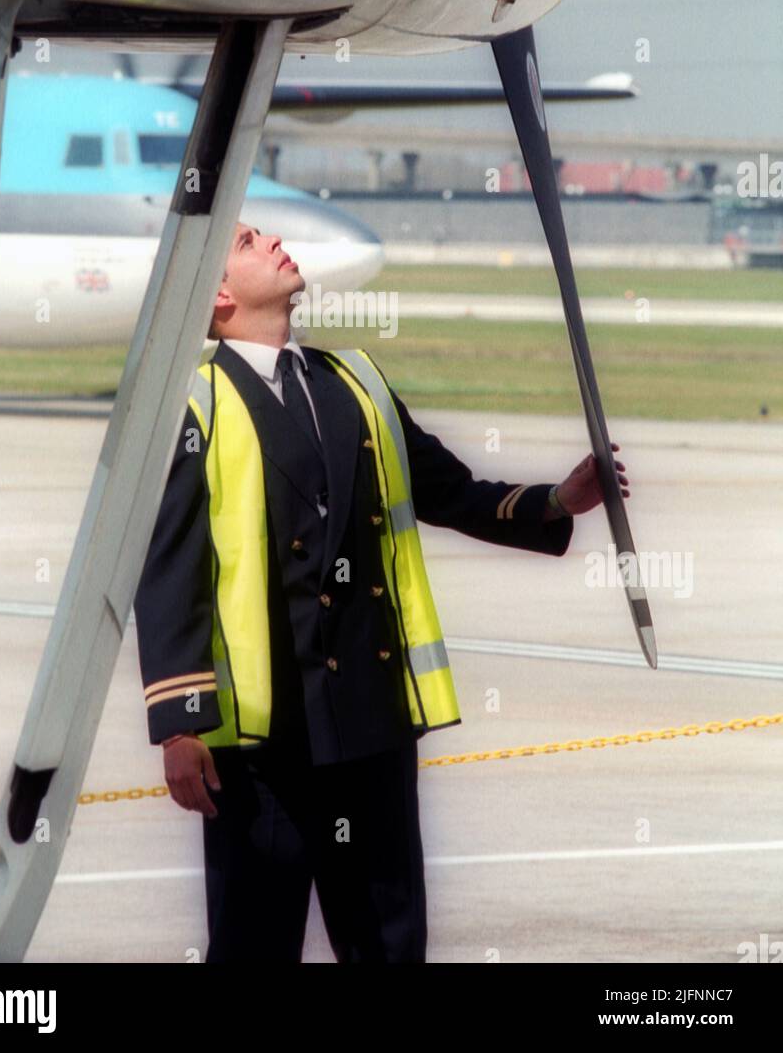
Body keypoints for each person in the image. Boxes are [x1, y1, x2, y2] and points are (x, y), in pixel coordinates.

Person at [133, 221, 629, 963]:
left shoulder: (356, 381)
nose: (270, 239)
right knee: (251, 946)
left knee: (391, 948)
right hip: (263, 748)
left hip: (372, 729)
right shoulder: (189, 404)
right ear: (220, 294)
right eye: (245, 241)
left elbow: (450, 491)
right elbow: (169, 567)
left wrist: (558, 500)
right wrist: (179, 725)